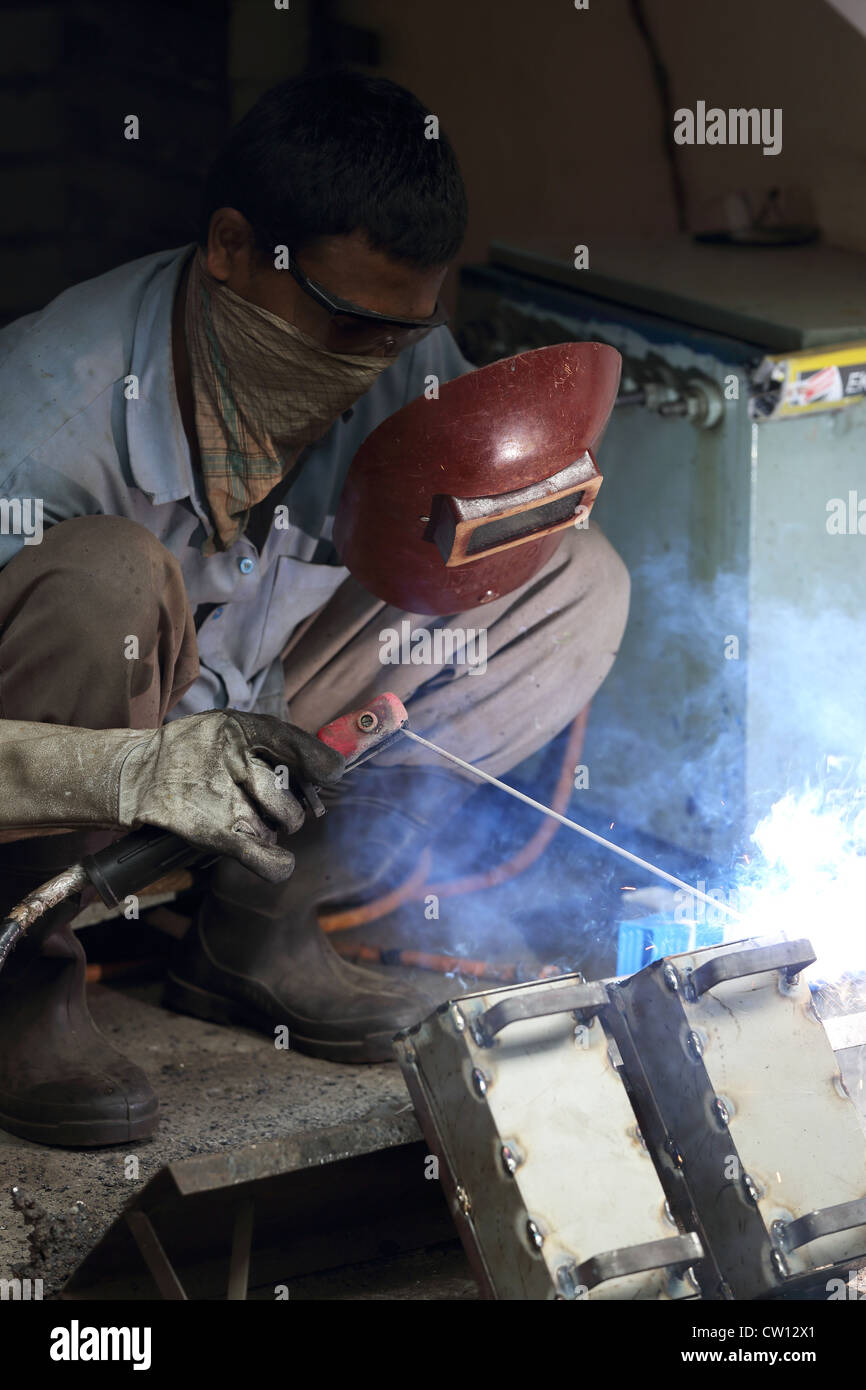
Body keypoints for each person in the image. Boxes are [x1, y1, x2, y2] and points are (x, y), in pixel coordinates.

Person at [0, 69, 629, 1147]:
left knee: (567, 578)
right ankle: (22, 983)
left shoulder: (397, 352)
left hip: (268, 704)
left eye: (400, 331)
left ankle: (261, 922)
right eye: (343, 323)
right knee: (104, 575)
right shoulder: (37, 421)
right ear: (233, 248)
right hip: (75, 750)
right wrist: (132, 767)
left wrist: (523, 499)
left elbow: (483, 522)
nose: (371, 364)